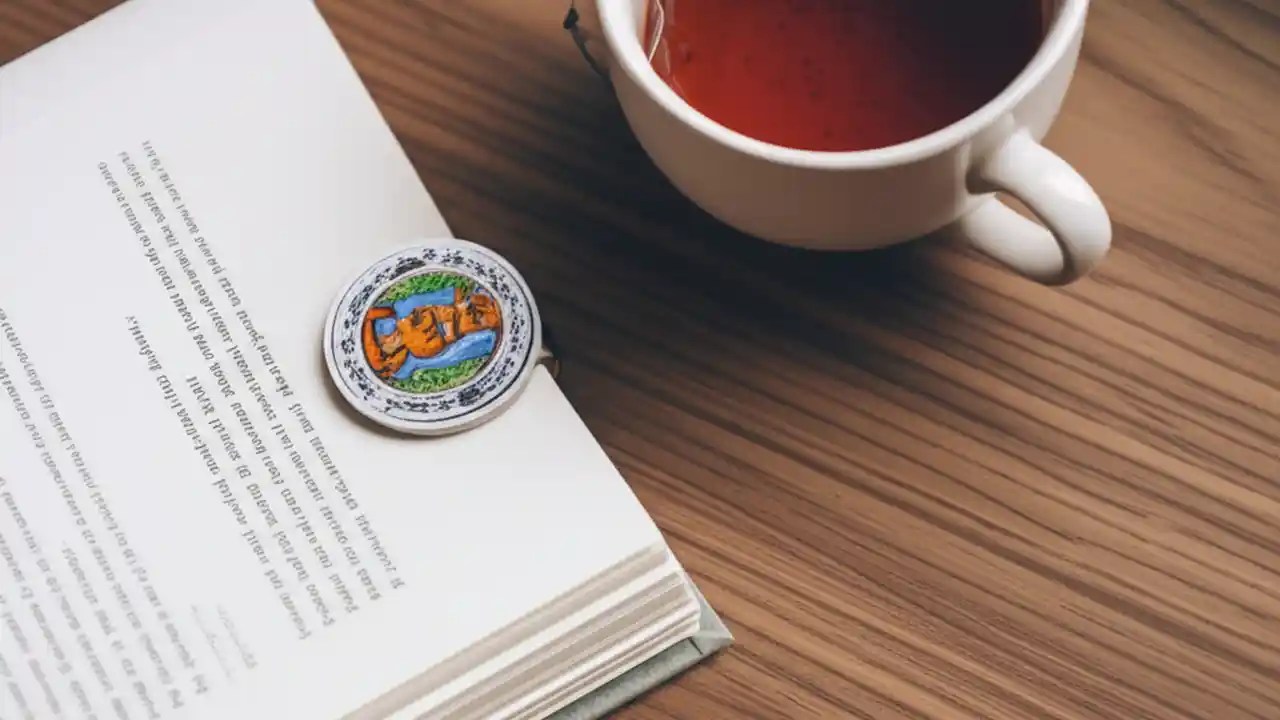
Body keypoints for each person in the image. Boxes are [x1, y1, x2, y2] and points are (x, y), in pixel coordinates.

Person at [362, 288, 500, 379]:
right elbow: (437, 341)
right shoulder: (415, 345)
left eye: (384, 337)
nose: (388, 337)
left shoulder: (404, 322)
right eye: (383, 342)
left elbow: (427, 312)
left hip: (456, 315)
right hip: (459, 326)